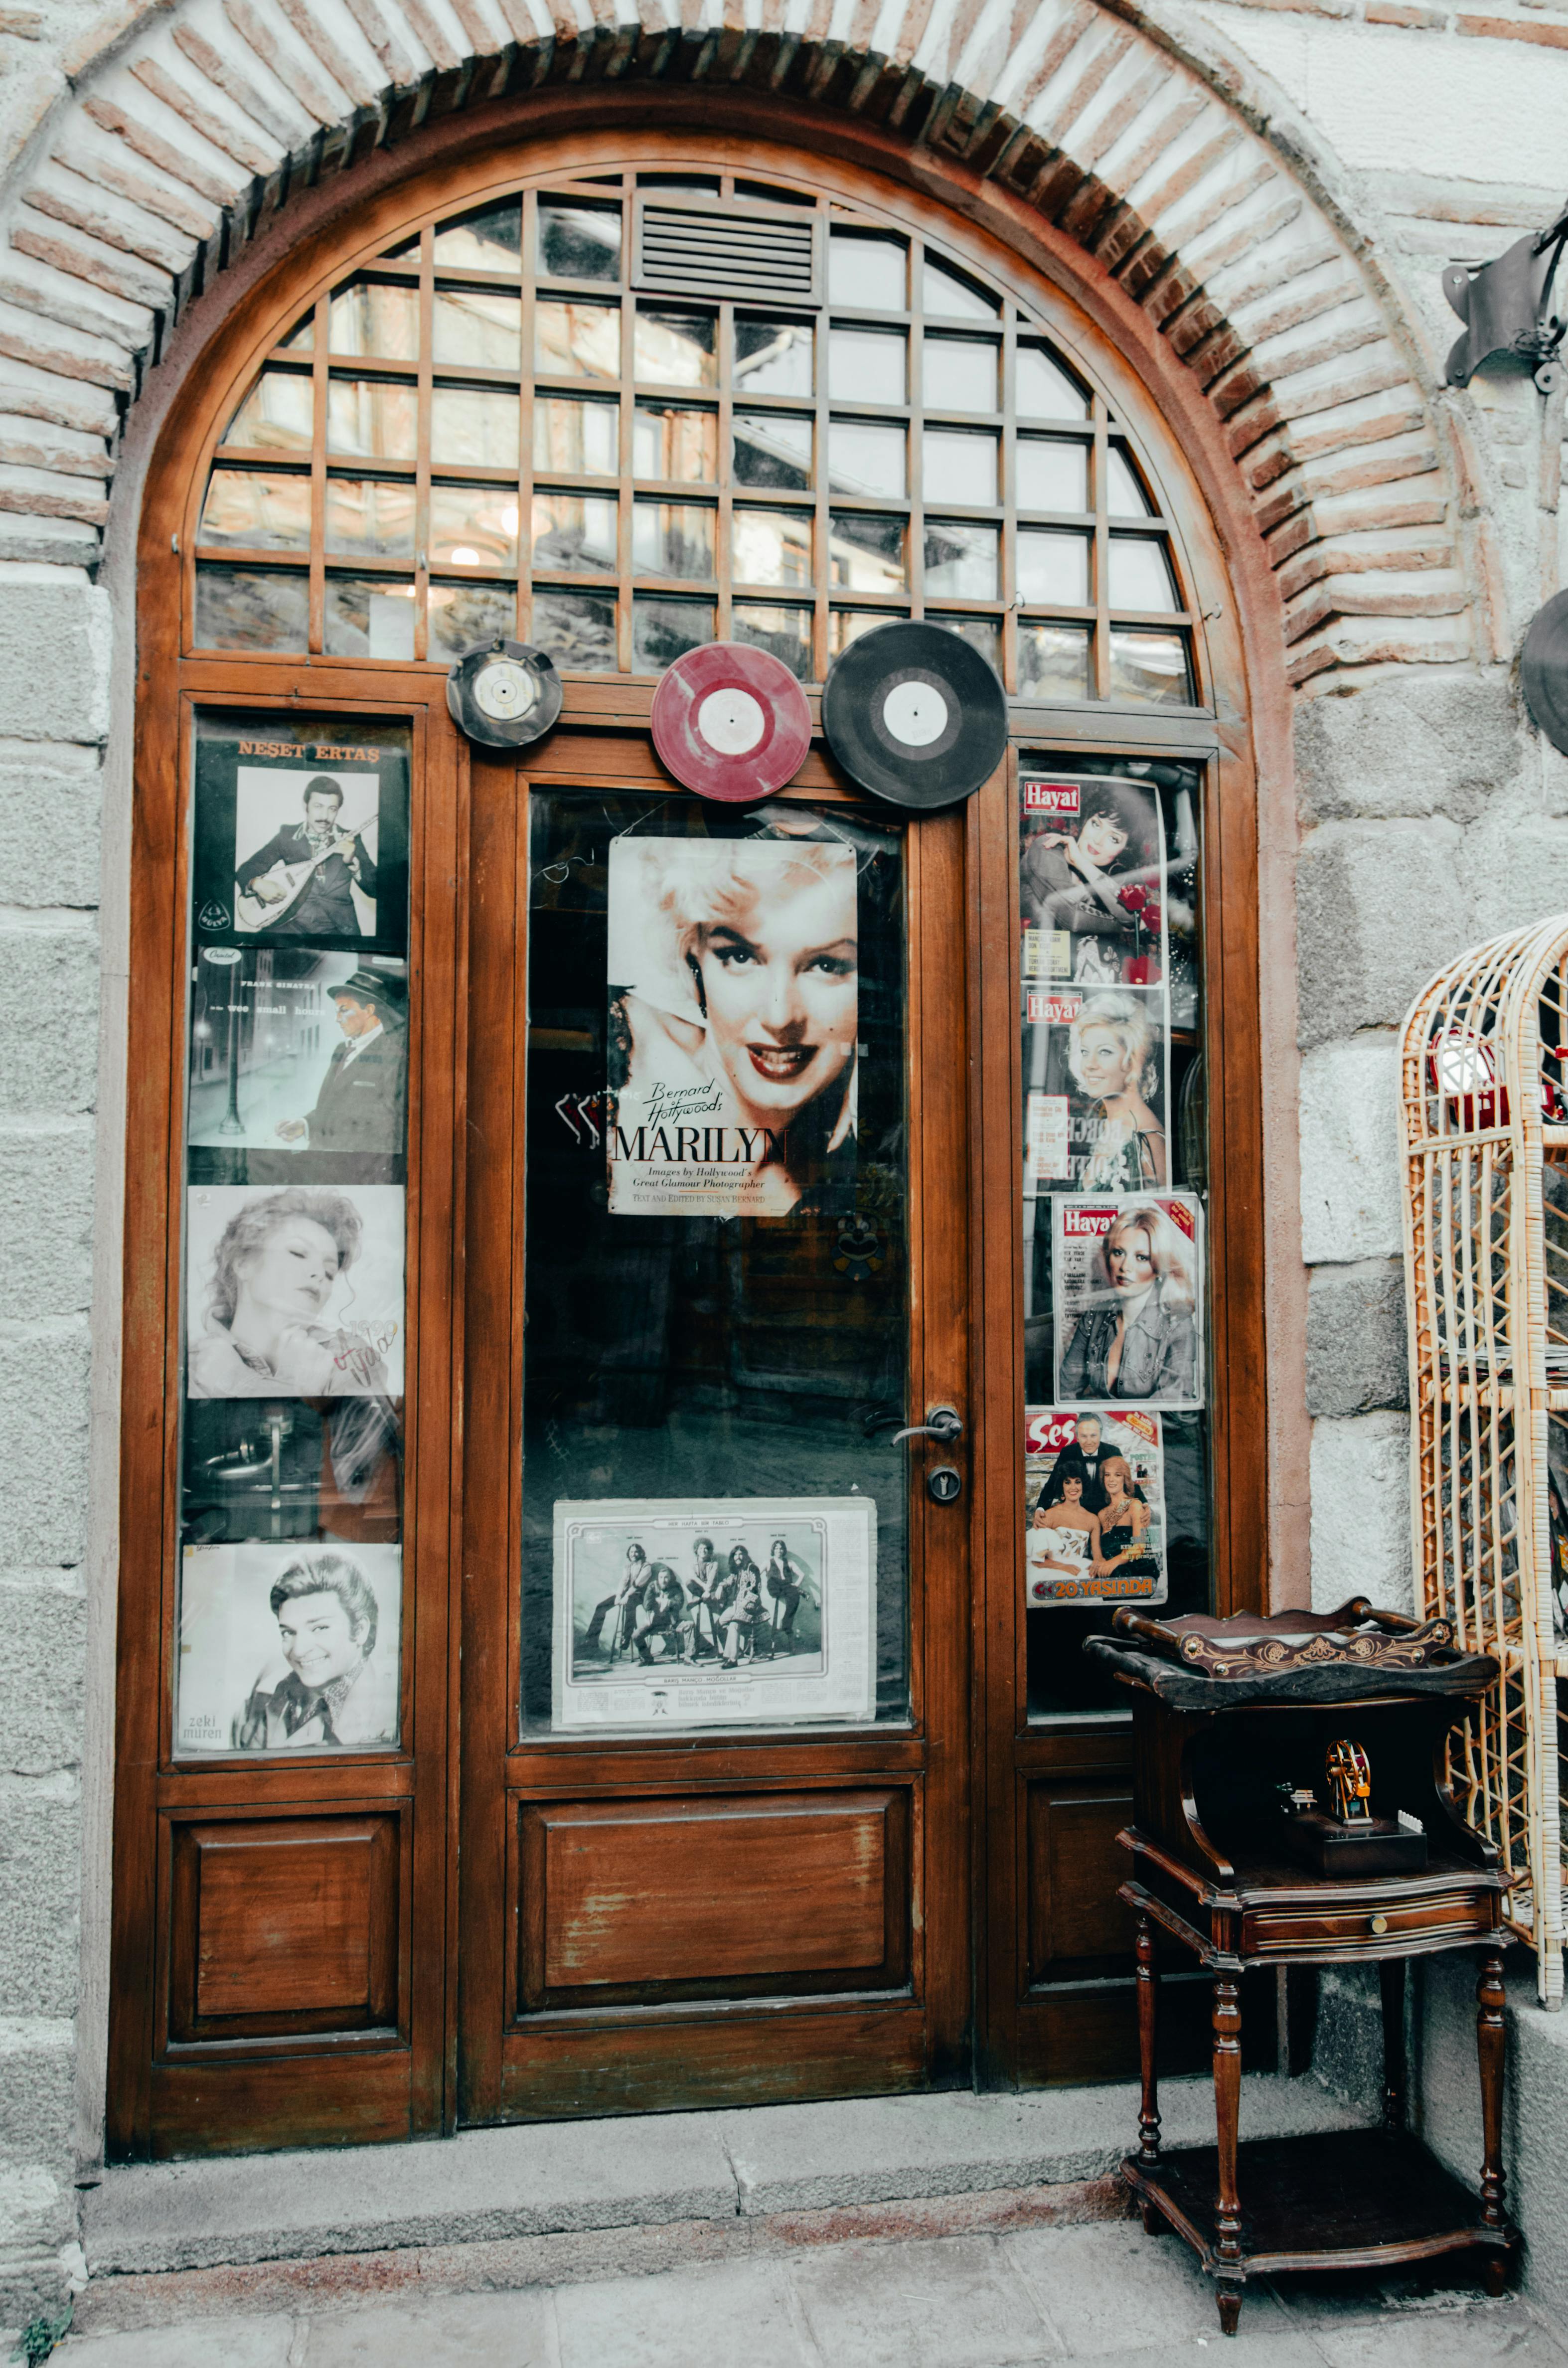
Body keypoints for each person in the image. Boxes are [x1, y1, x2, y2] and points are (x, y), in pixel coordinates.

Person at [608, 839, 857, 1215]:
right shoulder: (616, 1044)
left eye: (826, 965)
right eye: (740, 957)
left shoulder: (844, 1168)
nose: (779, 1017)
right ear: (694, 957)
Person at [188, 1187, 389, 1397]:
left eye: (329, 1273)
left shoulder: (351, 1358)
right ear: (243, 1263)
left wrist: (236, 1382)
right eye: (299, 1253)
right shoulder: (186, 1367)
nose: (319, 1274)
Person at [232, 1550, 398, 1749]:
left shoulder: (394, 1716)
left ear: (360, 1630)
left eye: (319, 1628)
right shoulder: (261, 1698)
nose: (299, 1651)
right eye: (288, 1633)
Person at [1020, 783, 1159, 986]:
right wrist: (1127, 928)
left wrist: (1082, 863)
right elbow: (1072, 917)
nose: (1098, 841)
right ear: (1085, 822)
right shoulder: (1048, 848)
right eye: (1096, 824)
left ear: (1124, 850)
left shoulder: (1112, 877)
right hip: (1041, 986)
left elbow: (1131, 915)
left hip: (1098, 993)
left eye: (1114, 838)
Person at [1058, 1202, 1199, 1404]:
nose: (1125, 1267)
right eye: (1119, 1253)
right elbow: (1066, 1391)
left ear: (1159, 1267)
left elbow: (1175, 1411)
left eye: (1142, 1257)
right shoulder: (1095, 1317)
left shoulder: (1178, 1325)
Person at [275, 969, 407, 1167]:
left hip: (356, 1167)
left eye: (344, 1010)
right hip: (322, 1162)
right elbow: (331, 1106)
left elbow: (389, 1128)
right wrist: (306, 1124)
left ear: (370, 1010)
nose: (337, 1018)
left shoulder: (395, 1056)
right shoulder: (341, 1050)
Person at [237, 776, 377, 938]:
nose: (325, 816)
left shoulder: (352, 840)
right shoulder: (287, 836)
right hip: (291, 923)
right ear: (306, 806)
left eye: (332, 809)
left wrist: (354, 864)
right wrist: (257, 884)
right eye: (318, 806)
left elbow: (375, 890)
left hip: (337, 929)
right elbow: (248, 869)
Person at [1067, 992, 1167, 1188]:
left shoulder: (1147, 1141)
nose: (1090, 1064)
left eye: (1105, 1051)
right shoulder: (1111, 1128)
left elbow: (1154, 1217)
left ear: (1134, 1060)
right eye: (1085, 1052)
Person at [1093, 1453, 1160, 1584]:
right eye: (1107, 1475)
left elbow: (1140, 1547)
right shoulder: (1102, 1514)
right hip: (1113, 1574)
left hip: (1139, 1573)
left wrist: (1114, 1562)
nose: (1111, 1480)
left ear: (1125, 1479)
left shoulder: (1135, 1506)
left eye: (1117, 1475)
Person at [1026, 1475, 1101, 1591]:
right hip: (1050, 1569)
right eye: (1068, 1482)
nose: (1073, 1487)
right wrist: (1064, 1567)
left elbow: (1098, 1557)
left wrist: (1097, 1563)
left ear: (1084, 1486)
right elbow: (1037, 1560)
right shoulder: (1050, 1515)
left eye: (1078, 1482)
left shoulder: (1093, 1519)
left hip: (1079, 1567)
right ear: (1062, 1487)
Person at [583, 1542, 649, 1656]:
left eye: (636, 1552)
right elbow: (623, 1581)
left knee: (629, 1605)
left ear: (641, 1553)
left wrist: (627, 1596)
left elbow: (638, 1584)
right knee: (601, 1607)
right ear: (629, 1554)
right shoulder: (627, 1566)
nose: (634, 1554)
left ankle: (626, 1638)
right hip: (625, 1594)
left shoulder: (646, 1566)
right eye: (632, 1552)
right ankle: (592, 1640)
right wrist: (619, 1595)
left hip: (639, 1594)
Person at [1037, 1413, 1110, 1514]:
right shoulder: (1068, 1453)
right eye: (1084, 1436)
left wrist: (1141, 1502)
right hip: (1076, 1513)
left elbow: (1126, 1481)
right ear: (1077, 1437)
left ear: (1101, 1435)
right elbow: (1052, 1484)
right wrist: (1041, 1509)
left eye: (1093, 1436)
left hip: (1105, 1512)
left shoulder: (1112, 1452)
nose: (1089, 1442)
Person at [716, 1545, 764, 1664]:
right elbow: (729, 1581)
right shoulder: (738, 1571)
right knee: (719, 1624)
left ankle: (733, 1659)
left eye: (740, 1554)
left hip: (750, 1606)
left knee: (734, 1625)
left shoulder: (752, 1568)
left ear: (745, 1555)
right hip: (736, 1606)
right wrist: (720, 1586)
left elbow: (756, 1587)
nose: (738, 1557)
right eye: (735, 1555)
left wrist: (746, 1601)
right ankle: (735, 1651)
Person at [764, 1535, 806, 1651]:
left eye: (781, 1548)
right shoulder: (768, 1562)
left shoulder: (790, 1562)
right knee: (774, 1580)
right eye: (777, 1548)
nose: (779, 1551)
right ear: (773, 1550)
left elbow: (802, 1574)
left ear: (784, 1550)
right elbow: (756, 1572)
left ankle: (787, 1624)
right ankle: (798, 1591)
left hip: (787, 1589)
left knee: (795, 1596)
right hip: (775, 1589)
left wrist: (796, 1585)